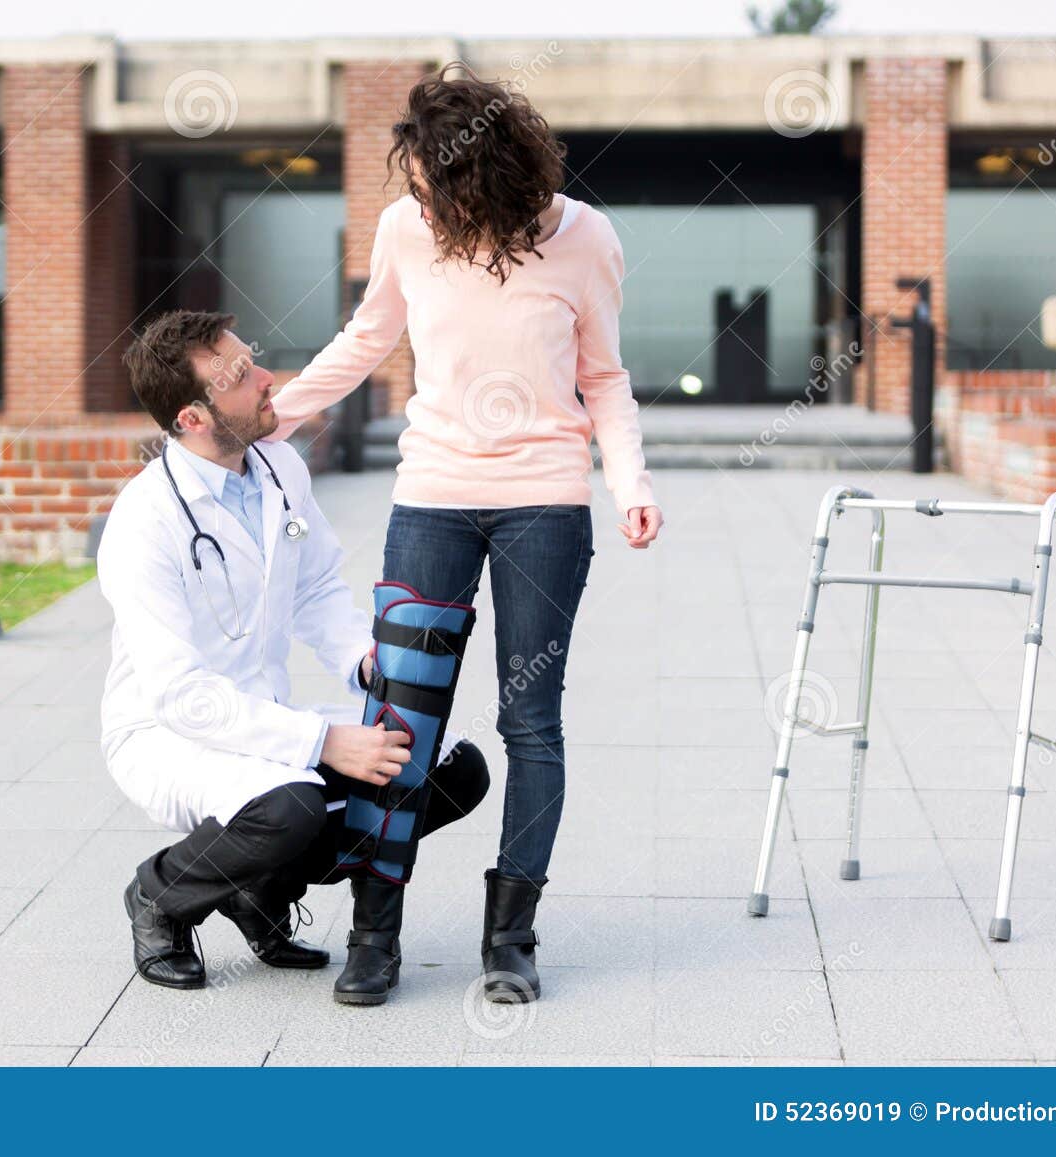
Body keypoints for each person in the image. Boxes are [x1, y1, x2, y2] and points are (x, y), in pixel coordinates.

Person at [265, 65, 663, 1003]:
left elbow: (604, 377)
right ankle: (374, 935)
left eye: (437, 188)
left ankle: (511, 937)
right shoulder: (406, 227)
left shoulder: (585, 237)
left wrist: (629, 482)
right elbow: (367, 339)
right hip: (433, 497)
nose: (423, 202)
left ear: (488, 179)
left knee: (531, 721)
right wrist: (274, 416)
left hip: (545, 505)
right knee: (399, 723)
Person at [99, 310, 490, 1005]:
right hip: (168, 733)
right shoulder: (143, 521)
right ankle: (160, 893)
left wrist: (365, 662)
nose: (266, 378)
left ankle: (259, 886)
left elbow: (315, 589)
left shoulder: (280, 468)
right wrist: (326, 742)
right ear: (192, 418)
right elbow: (182, 696)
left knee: (454, 767)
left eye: (251, 360)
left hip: (265, 718)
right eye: (240, 375)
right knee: (293, 810)